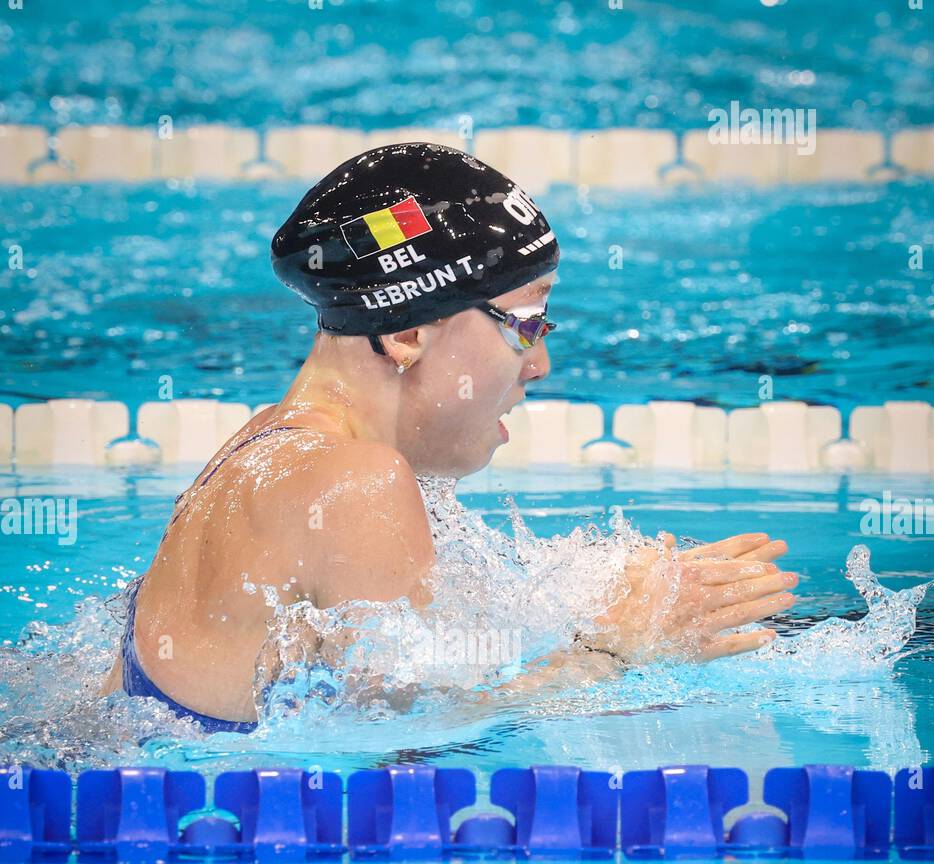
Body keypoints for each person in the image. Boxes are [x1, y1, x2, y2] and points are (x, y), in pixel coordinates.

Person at [101, 142, 796, 732]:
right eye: (526, 321)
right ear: (405, 333)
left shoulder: (261, 447)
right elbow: (415, 739)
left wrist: (597, 595)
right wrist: (617, 649)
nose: (541, 363)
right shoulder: (356, 482)